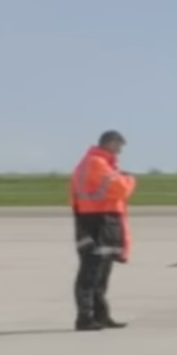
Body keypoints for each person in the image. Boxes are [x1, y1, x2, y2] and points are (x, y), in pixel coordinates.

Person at [70, 129, 136, 330]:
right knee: (90, 273)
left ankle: (100, 315)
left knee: (100, 274)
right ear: (111, 143)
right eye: (119, 146)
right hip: (95, 222)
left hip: (101, 221)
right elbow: (121, 189)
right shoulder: (95, 163)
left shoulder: (100, 164)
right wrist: (130, 179)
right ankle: (85, 318)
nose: (120, 151)